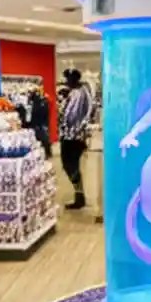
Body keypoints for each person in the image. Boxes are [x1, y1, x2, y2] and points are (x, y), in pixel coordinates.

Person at [59, 68, 92, 209]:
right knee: (71, 165)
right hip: (72, 135)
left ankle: (79, 197)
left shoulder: (80, 93)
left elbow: (72, 116)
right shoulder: (77, 92)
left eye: (68, 79)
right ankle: (79, 195)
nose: (67, 82)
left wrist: (78, 128)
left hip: (73, 136)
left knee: (70, 165)